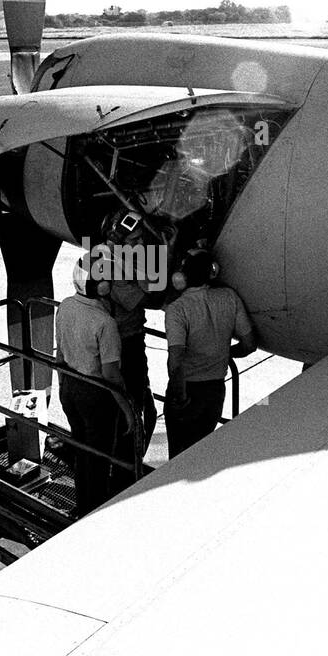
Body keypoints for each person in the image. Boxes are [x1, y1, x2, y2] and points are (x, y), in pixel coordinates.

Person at [54, 248, 135, 516]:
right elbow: (111, 374)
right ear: (99, 286)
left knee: (81, 449)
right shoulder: (105, 323)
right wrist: (127, 410)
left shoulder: (65, 306)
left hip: (70, 387)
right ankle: (94, 512)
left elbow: (60, 356)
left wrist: (64, 387)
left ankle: (83, 504)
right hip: (96, 395)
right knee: (99, 458)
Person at [164, 249, 257, 458]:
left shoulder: (177, 309)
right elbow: (249, 344)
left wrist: (180, 397)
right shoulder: (229, 297)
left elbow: (176, 363)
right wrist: (222, 354)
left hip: (187, 390)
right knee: (201, 456)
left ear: (182, 277)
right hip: (214, 392)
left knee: (177, 460)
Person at [101, 209, 157, 462]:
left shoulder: (123, 258)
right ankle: (126, 468)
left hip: (134, 340)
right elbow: (140, 296)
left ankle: (127, 463)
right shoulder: (109, 266)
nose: (141, 244)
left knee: (146, 408)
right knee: (134, 413)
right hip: (124, 344)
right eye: (134, 240)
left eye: (141, 239)